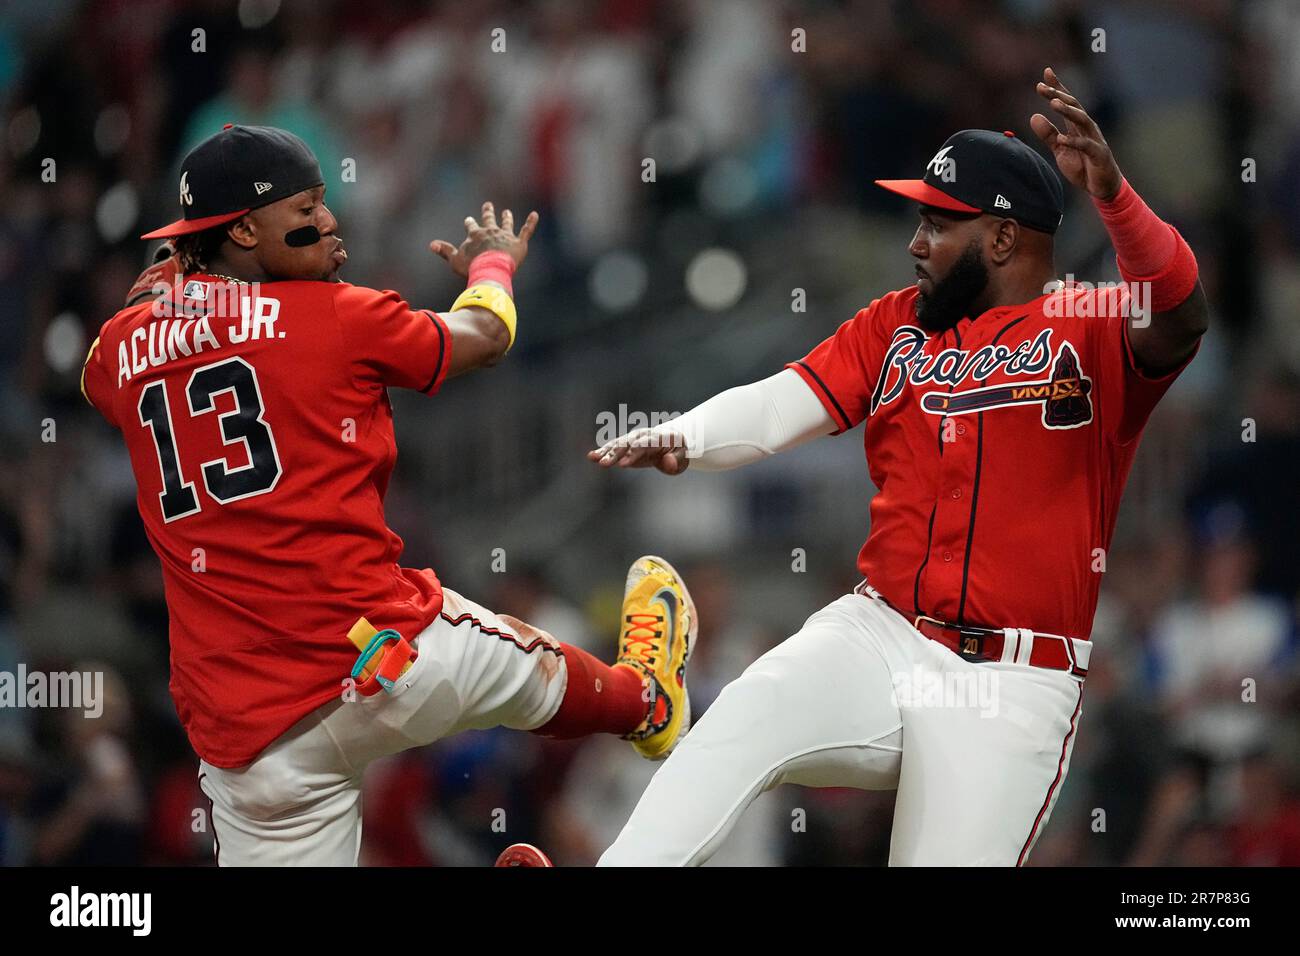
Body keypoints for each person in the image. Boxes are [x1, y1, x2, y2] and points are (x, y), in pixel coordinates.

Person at [588, 67, 1209, 866]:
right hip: (881, 632)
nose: (915, 242)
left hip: (1009, 682)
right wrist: (686, 434)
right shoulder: (898, 325)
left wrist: (1116, 197)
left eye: (938, 223)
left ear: (1002, 238)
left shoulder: (1085, 325)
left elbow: (1181, 312)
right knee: (745, 712)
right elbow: (782, 406)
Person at [83, 124, 695, 865]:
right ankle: (645, 703)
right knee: (531, 671)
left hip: (246, 739)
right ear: (242, 227)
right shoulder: (337, 315)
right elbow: (484, 334)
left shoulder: (124, 345)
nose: (330, 221)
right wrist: (493, 264)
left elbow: (97, 370)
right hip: (376, 658)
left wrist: (172, 283)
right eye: (305, 205)